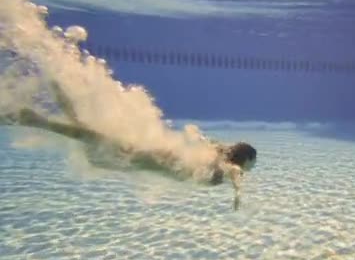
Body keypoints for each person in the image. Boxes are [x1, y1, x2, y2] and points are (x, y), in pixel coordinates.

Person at [0, 83, 257, 210]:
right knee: (90, 138)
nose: (251, 168)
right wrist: (237, 195)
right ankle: (34, 119)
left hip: (148, 159)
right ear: (243, 158)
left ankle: (55, 92)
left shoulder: (218, 154)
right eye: (251, 163)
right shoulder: (229, 167)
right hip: (146, 158)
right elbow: (235, 173)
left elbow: (206, 144)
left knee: (89, 141)